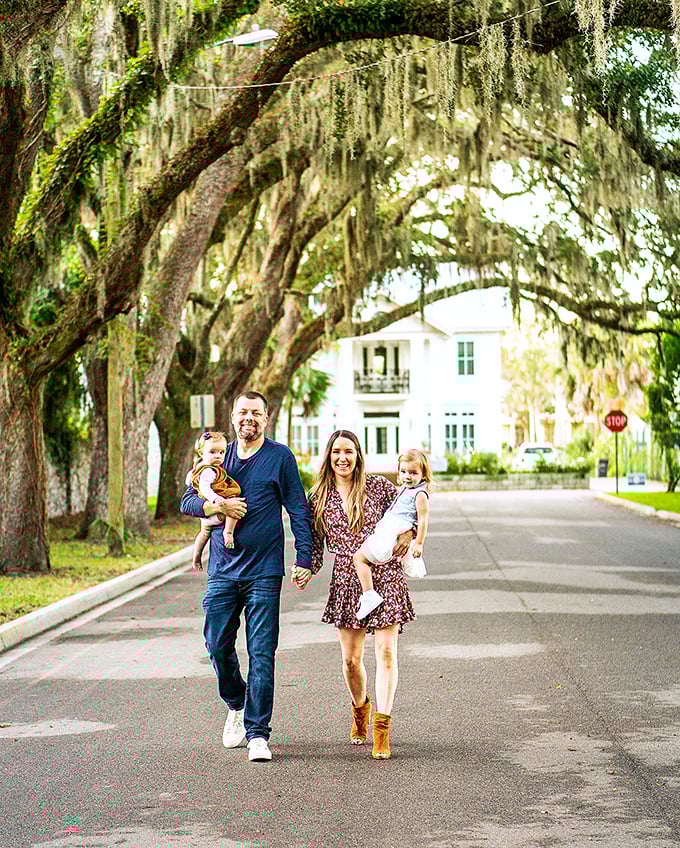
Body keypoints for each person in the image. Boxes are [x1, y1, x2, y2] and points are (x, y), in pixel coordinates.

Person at [180, 391, 312, 763]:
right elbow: (187, 501)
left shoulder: (279, 457)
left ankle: (258, 734)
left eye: (255, 412)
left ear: (266, 418)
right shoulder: (217, 456)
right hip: (223, 570)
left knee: (261, 652)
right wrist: (216, 504)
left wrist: (304, 557)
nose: (248, 418)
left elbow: (298, 508)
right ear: (233, 416)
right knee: (217, 645)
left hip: (264, 571)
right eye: (242, 412)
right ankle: (236, 703)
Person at [292, 430, 416, 760]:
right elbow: (314, 544)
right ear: (328, 457)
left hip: (385, 572)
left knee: (386, 652)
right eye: (336, 452)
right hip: (347, 578)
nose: (342, 458)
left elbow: (411, 509)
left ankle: (382, 730)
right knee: (351, 661)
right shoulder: (318, 496)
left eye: (349, 451)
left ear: (358, 455)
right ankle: (360, 709)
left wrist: (410, 532)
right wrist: (306, 569)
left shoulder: (378, 487)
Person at [354, 448, 431, 619]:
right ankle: (369, 594)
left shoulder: (420, 494)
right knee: (361, 558)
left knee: (359, 558)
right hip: (390, 527)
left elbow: (423, 519)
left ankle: (369, 595)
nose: (407, 476)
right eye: (403, 472)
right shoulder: (405, 488)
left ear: (423, 474)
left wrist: (419, 543)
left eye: (413, 473)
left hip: (394, 529)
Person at [186, 431, 242, 570]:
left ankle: (196, 556)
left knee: (204, 533)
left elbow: (190, 481)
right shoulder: (209, 471)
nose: (218, 456)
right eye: (212, 452)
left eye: (221, 452)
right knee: (234, 505)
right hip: (215, 510)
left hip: (206, 516)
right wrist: (215, 499)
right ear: (201, 453)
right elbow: (204, 487)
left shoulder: (198, 467)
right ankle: (228, 532)